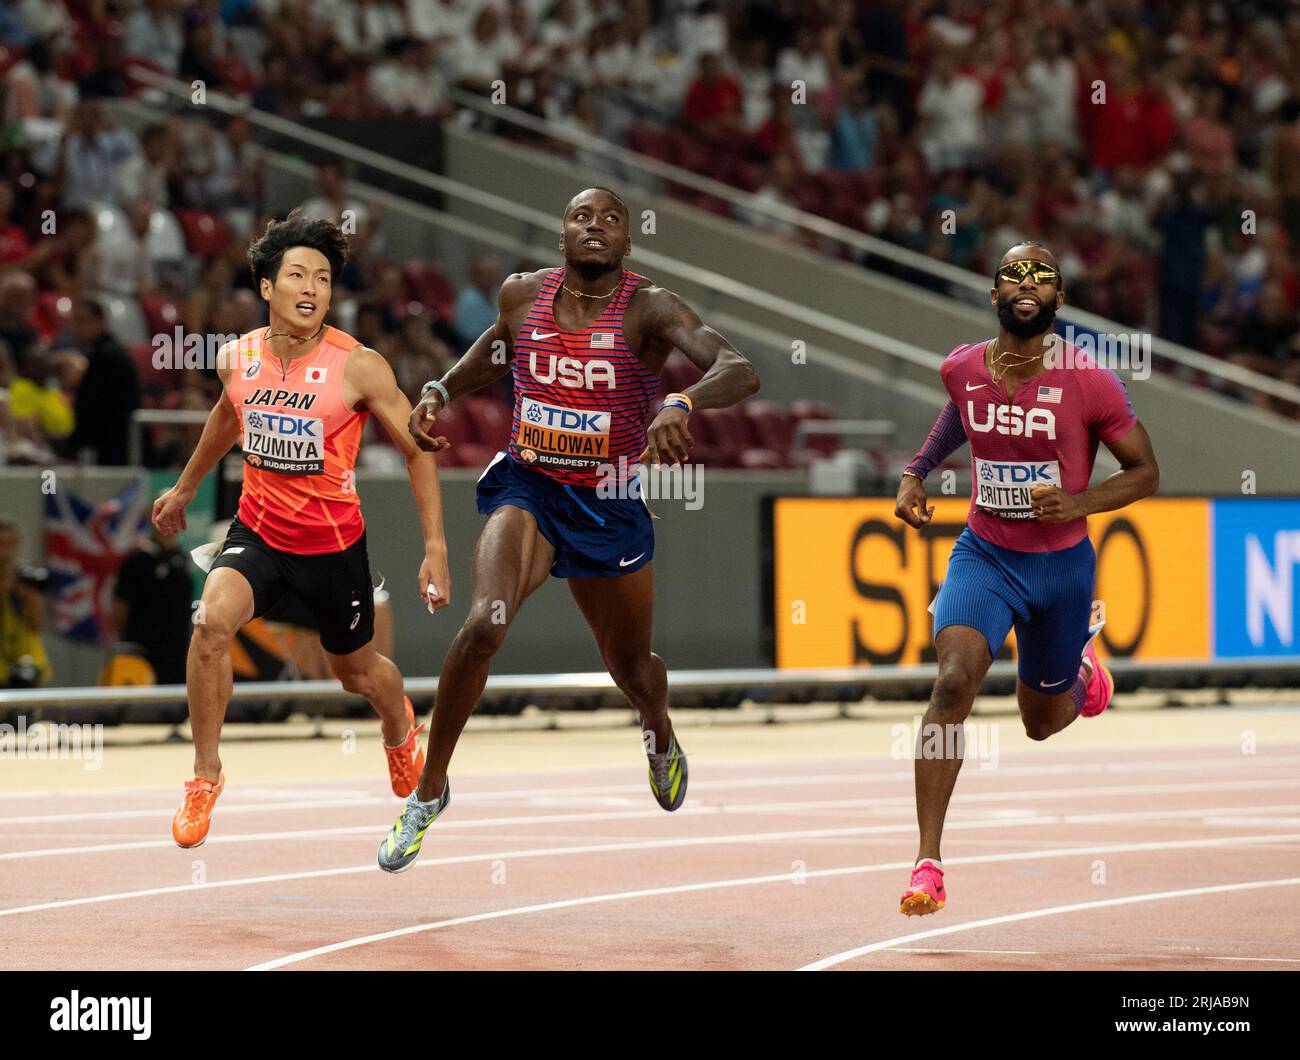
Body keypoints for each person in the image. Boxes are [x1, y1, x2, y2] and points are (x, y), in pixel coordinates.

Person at [376, 187, 760, 872]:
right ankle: (429, 790)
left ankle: (659, 731)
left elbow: (739, 368)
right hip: (531, 486)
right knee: (484, 625)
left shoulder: (651, 308)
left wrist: (680, 400)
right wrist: (441, 389)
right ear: (561, 237)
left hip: (608, 502)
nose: (594, 226)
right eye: (579, 216)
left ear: (625, 243)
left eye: (609, 219)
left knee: (632, 670)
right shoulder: (521, 295)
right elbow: (497, 351)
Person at [151, 210, 452, 849]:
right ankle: (205, 776)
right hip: (258, 536)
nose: (312, 287)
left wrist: (434, 548)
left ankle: (399, 725)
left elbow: (417, 449)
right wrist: (184, 487)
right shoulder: (239, 357)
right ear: (267, 287)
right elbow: (226, 420)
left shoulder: (359, 366)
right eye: (297, 275)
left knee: (358, 672)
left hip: (332, 549)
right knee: (209, 624)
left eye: (322, 276)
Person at [892, 242, 1160, 916]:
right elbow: (960, 410)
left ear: (1059, 299)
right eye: (1014, 274)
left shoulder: (1091, 380)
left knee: (1040, 724)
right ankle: (928, 863)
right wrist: (915, 471)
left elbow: (1144, 471)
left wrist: (1080, 502)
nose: (1027, 284)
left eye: (1042, 278)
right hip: (985, 555)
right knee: (952, 683)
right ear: (994, 294)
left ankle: (1078, 674)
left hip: (1061, 568)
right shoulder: (962, 366)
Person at [113, 518, 192, 684]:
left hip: (176, 655)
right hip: (141, 653)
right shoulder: (137, 560)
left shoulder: (182, 562)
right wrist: (126, 642)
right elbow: (120, 606)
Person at [66, 298, 140, 466]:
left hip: (113, 448)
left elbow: (93, 406)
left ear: (101, 322)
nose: (77, 328)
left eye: (83, 321)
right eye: (74, 321)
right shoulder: (102, 352)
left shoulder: (108, 356)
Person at [0, 519, 52, 688]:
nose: (3, 551)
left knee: (23, 715)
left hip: (27, 666)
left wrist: (31, 597)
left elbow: (36, 625)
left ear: (17, 546)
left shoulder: (28, 580)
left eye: (9, 544)